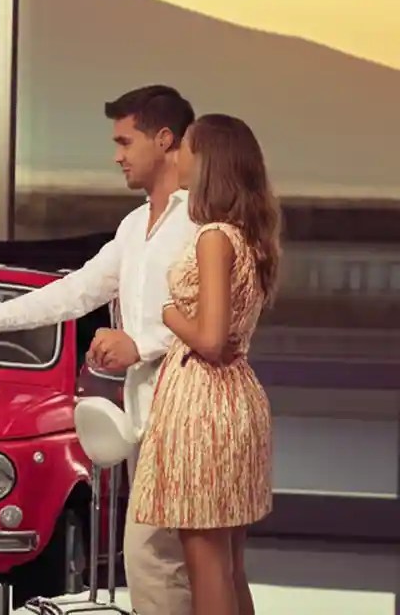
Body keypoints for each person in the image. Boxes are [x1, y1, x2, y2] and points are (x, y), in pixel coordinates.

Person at [0, 84, 197, 614]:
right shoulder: (133, 227)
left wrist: (141, 345)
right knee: (159, 564)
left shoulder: (199, 223)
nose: (116, 155)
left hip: (192, 417)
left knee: (170, 561)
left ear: (165, 139)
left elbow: (220, 323)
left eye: (126, 141)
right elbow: (76, 291)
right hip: (146, 419)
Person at [131, 114, 280, 615]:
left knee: (206, 562)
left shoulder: (214, 236)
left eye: (187, 148)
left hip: (205, 405)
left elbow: (212, 339)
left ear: (209, 160)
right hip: (234, 398)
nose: (179, 158)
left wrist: (169, 314)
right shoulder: (248, 235)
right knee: (230, 564)